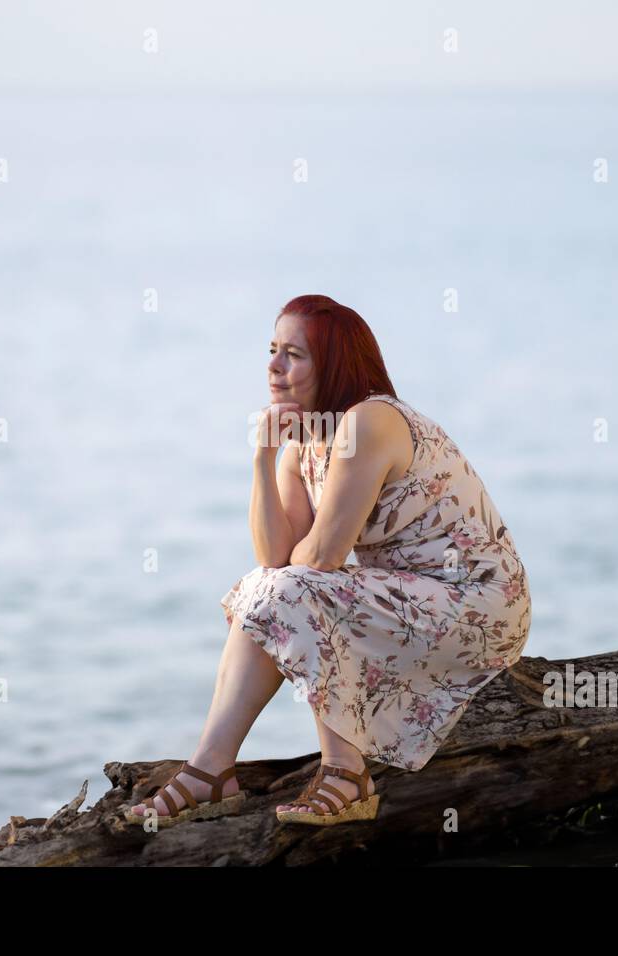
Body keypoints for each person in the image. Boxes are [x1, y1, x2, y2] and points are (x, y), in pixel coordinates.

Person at [125, 294, 531, 828]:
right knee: (265, 588)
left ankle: (345, 771)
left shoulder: (369, 422)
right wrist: (264, 457)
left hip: (478, 600)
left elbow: (321, 558)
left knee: (293, 589)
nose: (273, 365)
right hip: (407, 596)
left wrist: (291, 581)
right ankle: (210, 770)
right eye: (272, 350)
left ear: (333, 364)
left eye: (293, 354)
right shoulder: (302, 442)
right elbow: (273, 557)